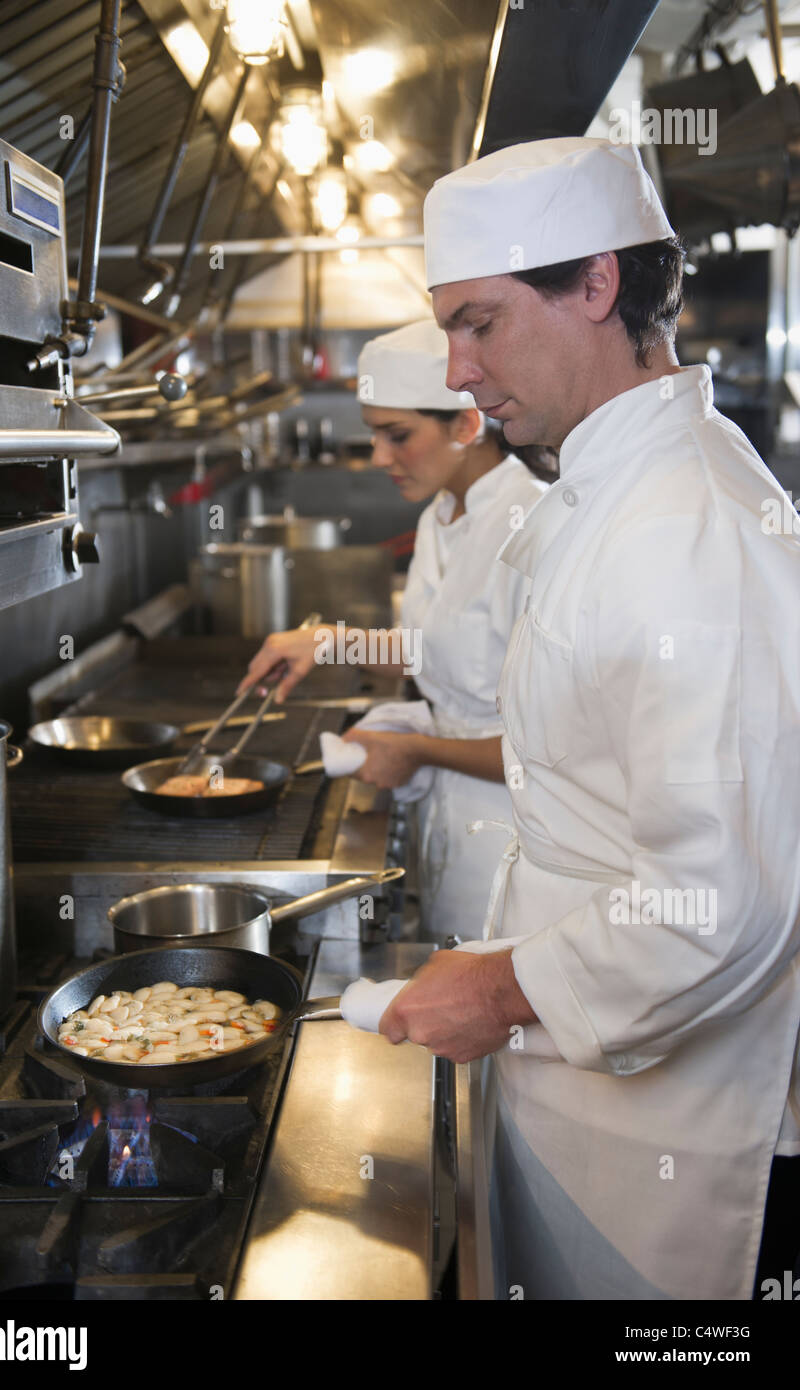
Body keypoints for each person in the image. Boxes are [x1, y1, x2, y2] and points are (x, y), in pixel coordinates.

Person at [375, 137, 800, 1299]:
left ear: (599, 286)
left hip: (666, 1150)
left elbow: (720, 902)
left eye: (481, 324)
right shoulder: (603, 487)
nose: (456, 370)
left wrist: (503, 987)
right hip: (580, 1095)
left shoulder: (691, 525)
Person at [238, 319, 546, 941]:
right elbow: (438, 650)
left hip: (519, 836)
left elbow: (553, 753)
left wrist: (416, 749)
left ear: (466, 424)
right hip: (451, 820)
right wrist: (328, 642)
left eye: (397, 435)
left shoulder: (533, 528)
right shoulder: (442, 512)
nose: (379, 457)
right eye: (374, 436)